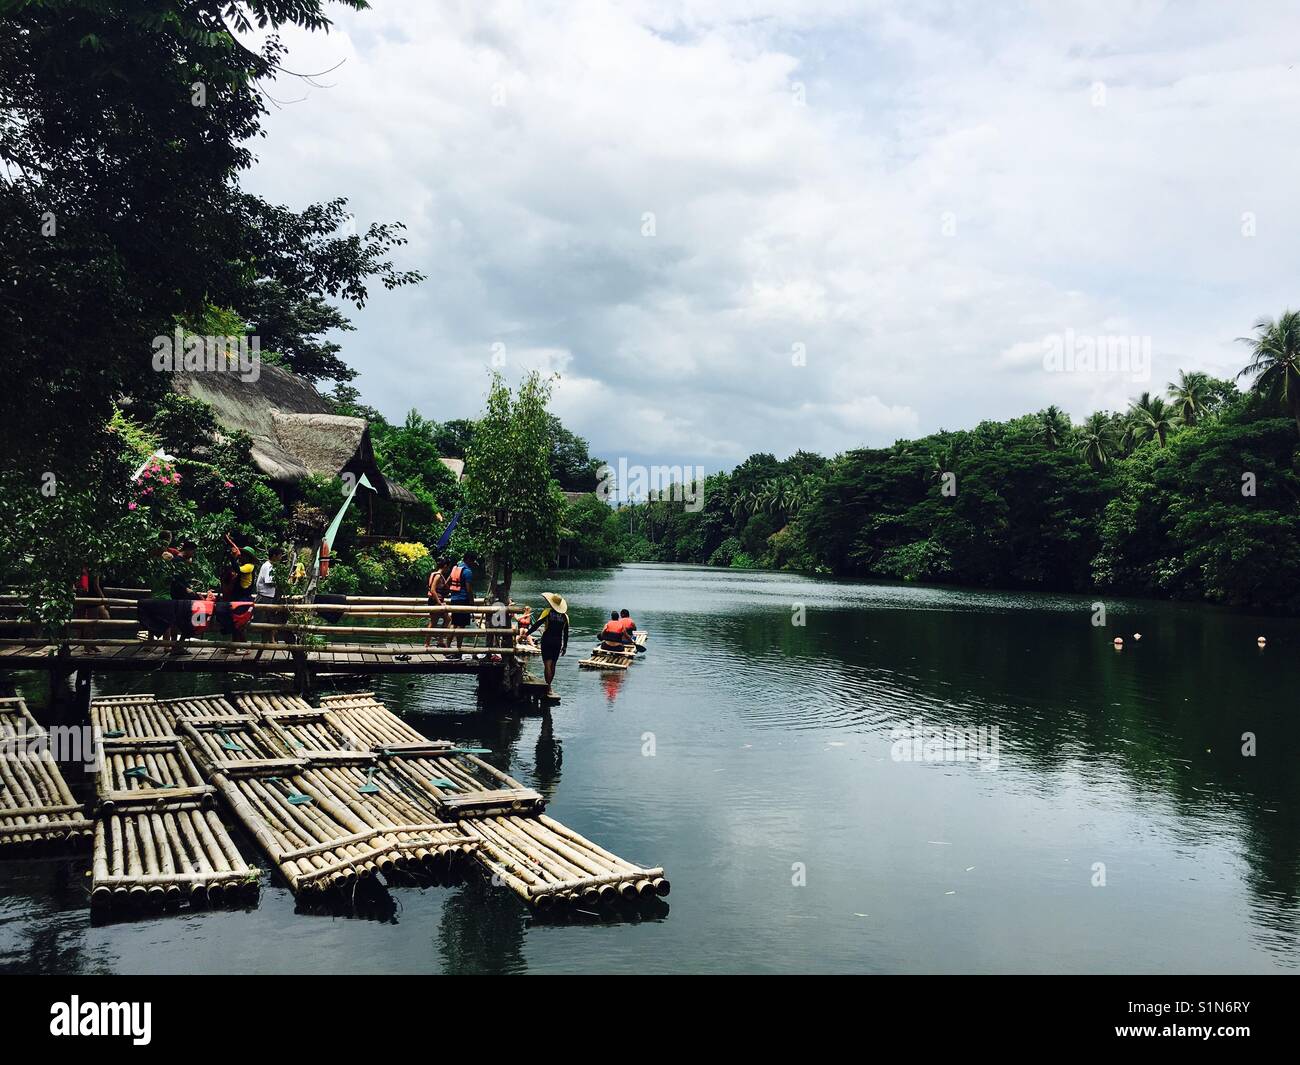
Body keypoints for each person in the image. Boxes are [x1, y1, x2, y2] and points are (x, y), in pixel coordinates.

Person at [526, 592, 569, 697]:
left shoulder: (547, 612)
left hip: (547, 640)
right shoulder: (565, 617)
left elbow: (536, 625)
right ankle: (550, 686)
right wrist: (564, 647)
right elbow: (566, 634)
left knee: (547, 665)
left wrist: (526, 634)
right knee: (553, 664)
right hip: (558, 642)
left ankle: (548, 686)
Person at [445, 551, 479, 658]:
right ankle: (458, 651)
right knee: (461, 625)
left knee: (453, 623)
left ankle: (447, 648)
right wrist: (472, 602)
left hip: (454, 599)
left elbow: (447, 583)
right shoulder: (467, 572)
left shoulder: (455, 568)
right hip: (463, 600)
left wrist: (453, 592)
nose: (473, 563)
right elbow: (469, 589)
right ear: (468, 560)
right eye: (473, 561)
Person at [256, 546, 284, 643]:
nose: (281, 558)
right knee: (268, 619)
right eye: (280, 555)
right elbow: (269, 582)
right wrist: (281, 583)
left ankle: (268, 640)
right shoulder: (268, 566)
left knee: (270, 618)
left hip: (268, 595)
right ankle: (269, 640)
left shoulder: (270, 565)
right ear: (274, 556)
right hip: (266, 596)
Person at [425, 556, 453, 650]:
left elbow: (446, 586)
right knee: (434, 622)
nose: (448, 569)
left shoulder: (435, 574)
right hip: (435, 601)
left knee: (447, 619)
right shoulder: (437, 576)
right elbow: (433, 590)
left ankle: (439, 640)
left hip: (435, 601)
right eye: (448, 567)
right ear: (445, 566)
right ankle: (428, 643)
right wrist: (439, 603)